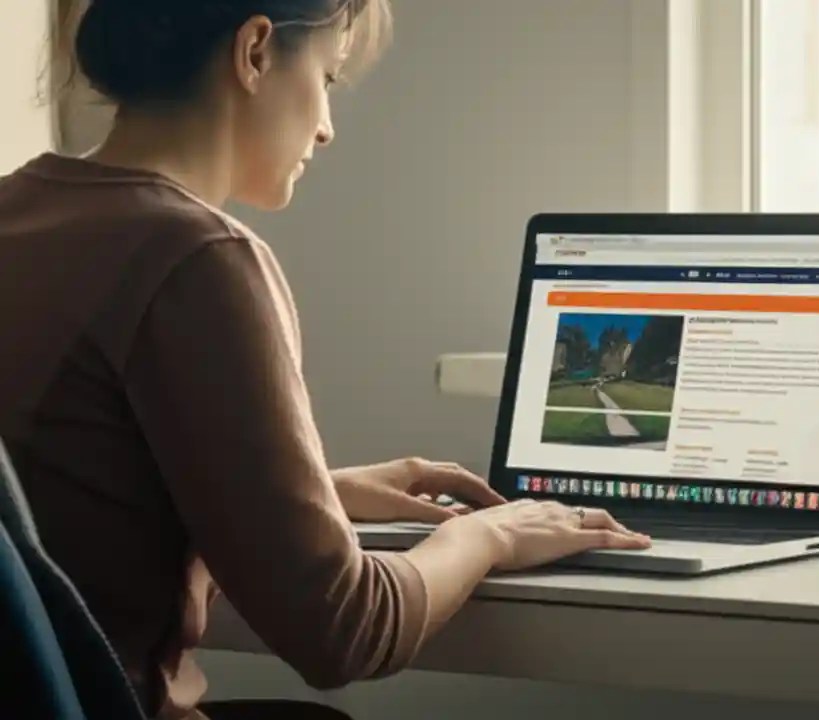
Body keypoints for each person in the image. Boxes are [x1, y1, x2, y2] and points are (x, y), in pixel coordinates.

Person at [0, 1, 650, 718]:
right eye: (328, 79)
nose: (326, 128)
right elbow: (342, 629)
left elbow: (73, 495)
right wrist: (488, 533)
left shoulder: (18, 210)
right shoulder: (196, 259)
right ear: (254, 51)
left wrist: (320, 492)